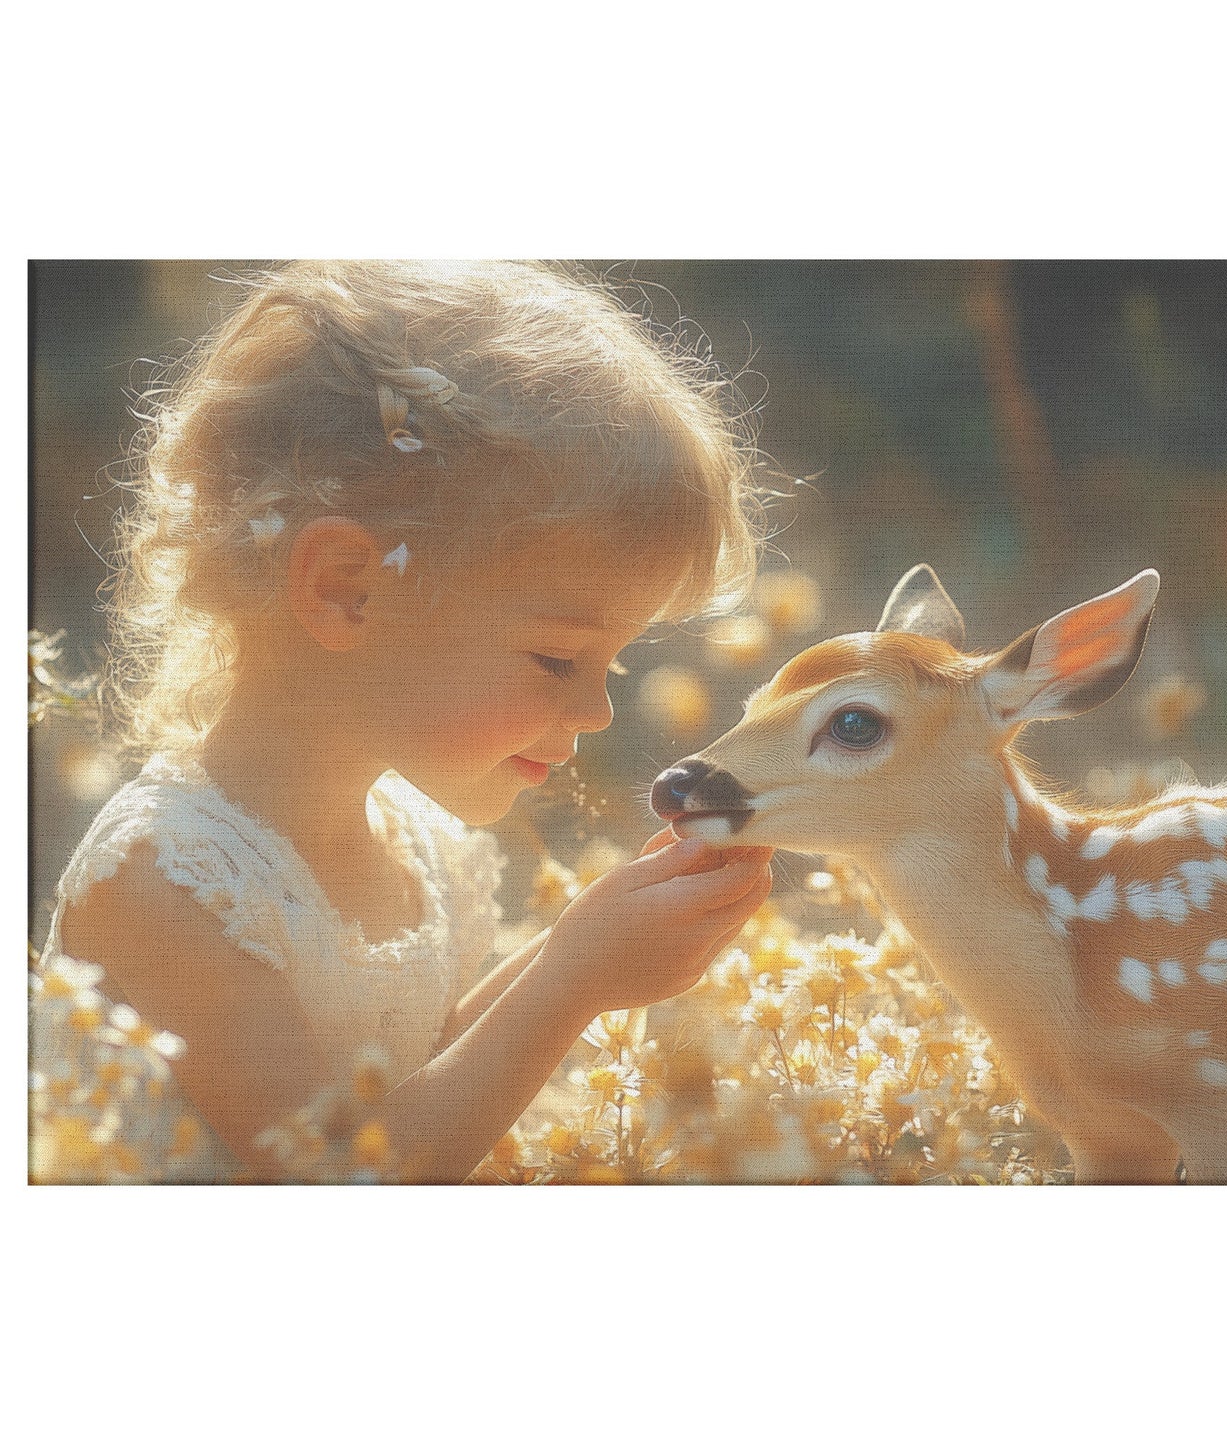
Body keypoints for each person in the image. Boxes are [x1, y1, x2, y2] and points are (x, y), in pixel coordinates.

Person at [39, 260, 775, 1182]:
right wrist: (573, 976)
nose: (597, 709)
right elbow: (343, 1174)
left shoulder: (416, 842)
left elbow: (418, 1080)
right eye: (558, 658)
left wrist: (590, 940)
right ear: (346, 589)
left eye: (611, 662)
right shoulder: (167, 881)